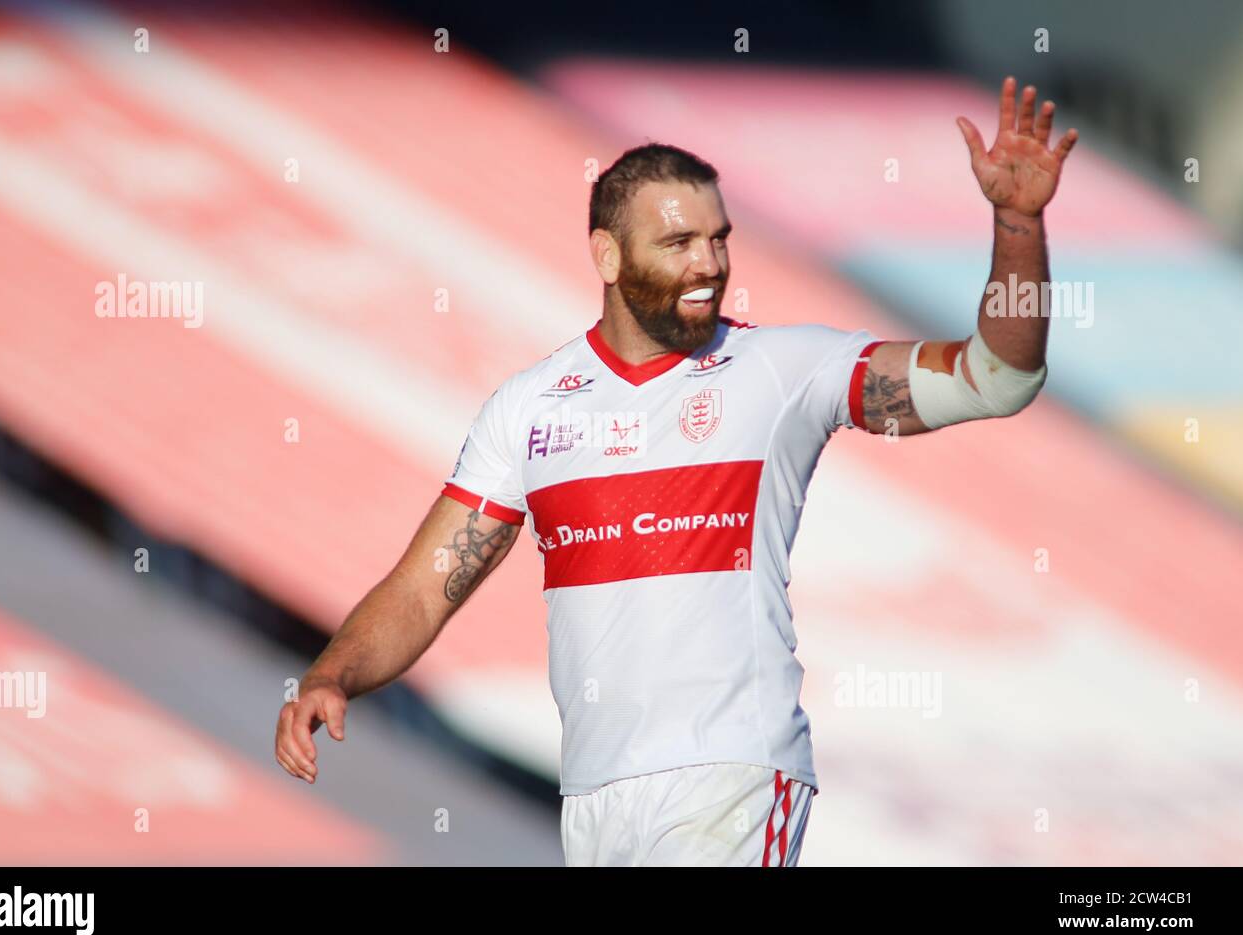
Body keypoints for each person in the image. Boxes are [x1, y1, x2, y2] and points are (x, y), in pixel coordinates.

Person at [275, 77, 1077, 866]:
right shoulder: (528, 408)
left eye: (719, 238)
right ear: (606, 254)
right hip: (595, 796)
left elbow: (995, 378)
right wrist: (331, 675)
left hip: (731, 773)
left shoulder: (783, 369)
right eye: (678, 242)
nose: (709, 263)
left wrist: (1015, 224)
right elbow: (425, 586)